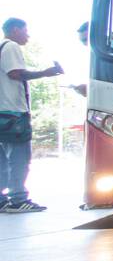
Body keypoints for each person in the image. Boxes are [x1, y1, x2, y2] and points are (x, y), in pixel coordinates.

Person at [1, 18, 63, 213]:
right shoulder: (11, 46)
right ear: (15, 29)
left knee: (2, 158)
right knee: (20, 157)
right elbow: (15, 73)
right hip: (13, 112)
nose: (28, 36)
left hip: (3, 111)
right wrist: (45, 73)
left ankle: (2, 200)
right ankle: (18, 199)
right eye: (25, 31)